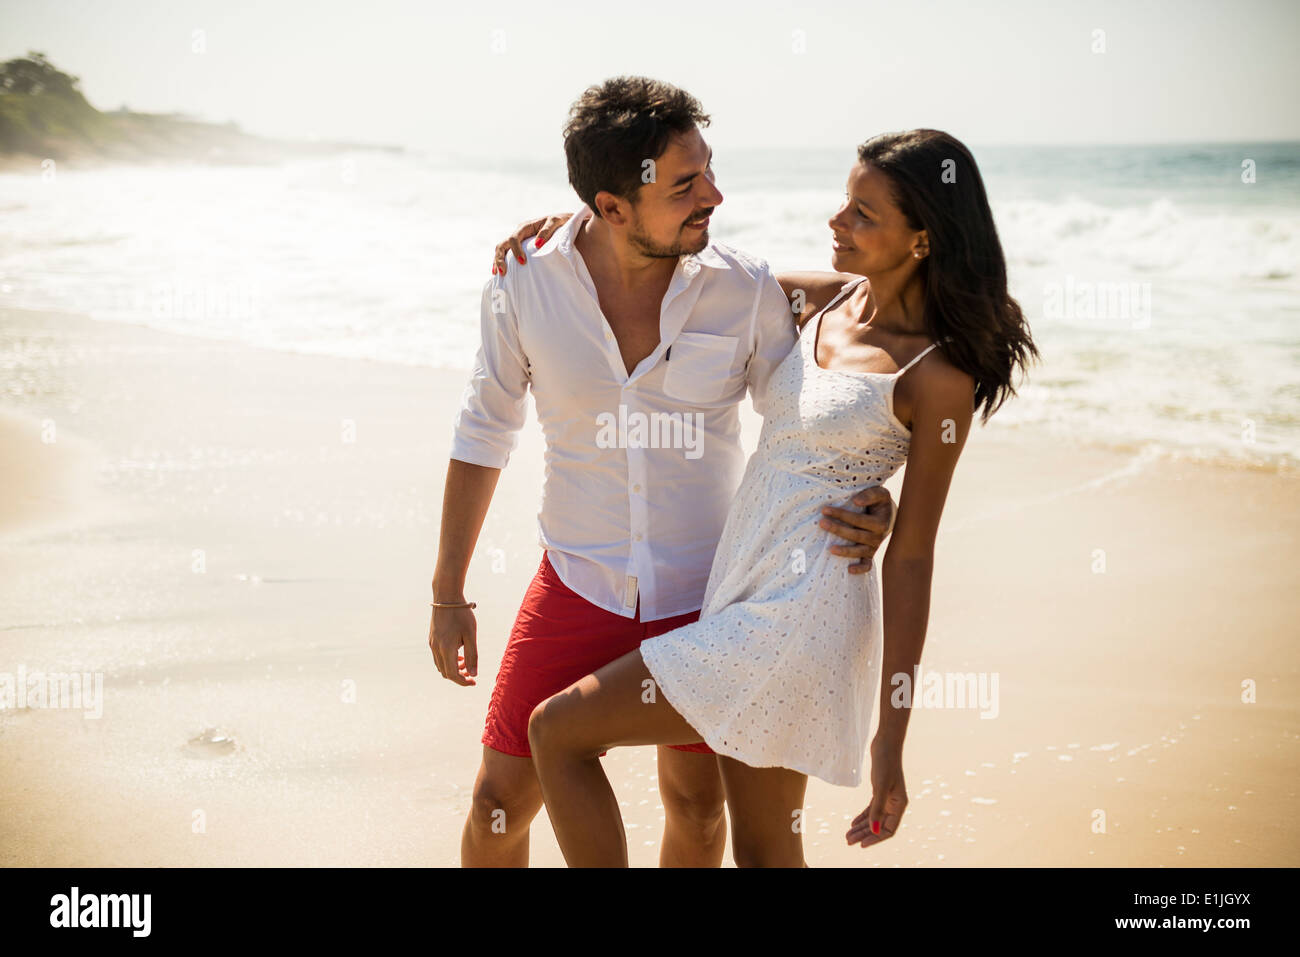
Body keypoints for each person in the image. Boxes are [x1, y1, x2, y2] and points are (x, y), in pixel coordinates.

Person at [516, 128, 1039, 867]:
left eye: (864, 213)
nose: (837, 220)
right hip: (741, 586)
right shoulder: (822, 300)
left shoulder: (937, 377)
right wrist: (575, 231)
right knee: (766, 851)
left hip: (804, 614)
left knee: (558, 730)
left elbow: (915, 558)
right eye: (844, 202)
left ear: (922, 240)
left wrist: (891, 737)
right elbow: (689, 268)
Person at [429, 76, 897, 868]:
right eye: (685, 184)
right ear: (613, 207)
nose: (714, 194)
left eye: (708, 169)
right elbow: (485, 430)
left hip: (708, 598)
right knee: (496, 804)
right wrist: (448, 590)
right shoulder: (525, 283)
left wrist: (873, 492)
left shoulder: (744, 289)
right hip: (577, 580)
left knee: (700, 811)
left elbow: (821, 405)